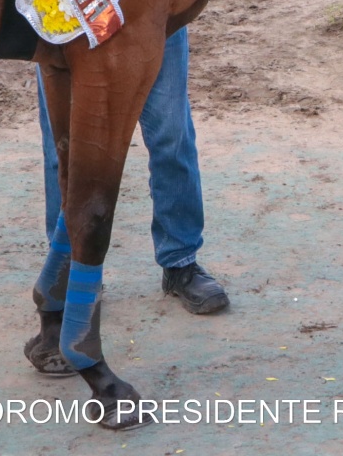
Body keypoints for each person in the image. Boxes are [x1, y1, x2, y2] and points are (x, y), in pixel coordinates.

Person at [35, 29, 228, 326]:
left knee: (172, 135)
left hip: (154, 14)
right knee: (65, 149)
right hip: (67, 16)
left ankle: (180, 261)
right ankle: (70, 268)